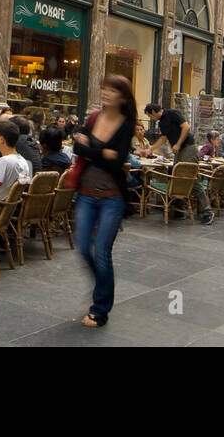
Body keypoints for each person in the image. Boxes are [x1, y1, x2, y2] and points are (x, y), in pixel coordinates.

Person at [72, 76, 138, 328]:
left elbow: (117, 159)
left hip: (112, 198)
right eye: (105, 89)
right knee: (81, 246)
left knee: (101, 252)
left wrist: (92, 149)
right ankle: (99, 285)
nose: (107, 93)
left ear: (122, 97)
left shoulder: (126, 123)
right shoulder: (94, 118)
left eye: (113, 90)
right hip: (87, 194)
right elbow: (79, 150)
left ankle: (100, 309)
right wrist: (101, 152)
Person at [144, 103, 213, 224]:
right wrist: (150, 149)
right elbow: (163, 138)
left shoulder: (172, 113)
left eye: (150, 116)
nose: (151, 119)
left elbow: (186, 127)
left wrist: (178, 144)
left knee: (191, 178)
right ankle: (179, 209)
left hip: (187, 147)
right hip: (179, 151)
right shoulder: (161, 123)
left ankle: (207, 211)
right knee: (177, 177)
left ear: (153, 112)